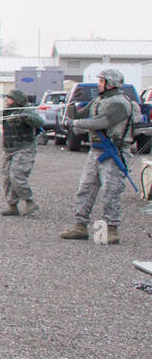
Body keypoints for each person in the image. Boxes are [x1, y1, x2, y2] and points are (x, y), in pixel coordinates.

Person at [60, 67, 134, 245]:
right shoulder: (98, 100)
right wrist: (70, 106)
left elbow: (102, 122)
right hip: (95, 150)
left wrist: (75, 122)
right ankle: (80, 225)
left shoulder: (120, 103)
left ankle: (112, 229)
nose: (98, 84)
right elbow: (80, 115)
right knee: (86, 187)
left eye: (102, 81)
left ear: (112, 83)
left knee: (111, 191)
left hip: (113, 151)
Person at [0, 88, 43, 216]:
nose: (7, 101)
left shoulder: (27, 111)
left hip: (24, 149)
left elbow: (39, 122)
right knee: (7, 178)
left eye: (10, 98)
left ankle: (29, 201)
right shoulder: (6, 112)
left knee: (17, 176)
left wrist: (26, 117)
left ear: (17, 100)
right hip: (8, 150)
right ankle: (12, 205)